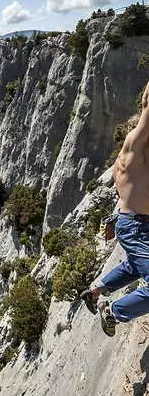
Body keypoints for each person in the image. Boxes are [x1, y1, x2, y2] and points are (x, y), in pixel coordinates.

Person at [81, 80, 149, 337]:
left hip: (132, 221)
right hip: (135, 226)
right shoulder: (134, 149)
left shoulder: (140, 157)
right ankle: (114, 311)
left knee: (136, 264)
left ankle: (97, 290)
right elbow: (147, 105)